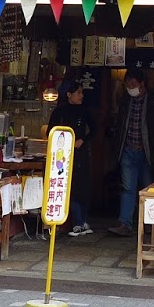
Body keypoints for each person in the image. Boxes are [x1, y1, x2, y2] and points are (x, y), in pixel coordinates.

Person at [105, 69, 154, 236]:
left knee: (148, 189)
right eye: (127, 85)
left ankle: (149, 223)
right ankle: (125, 223)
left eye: (133, 84)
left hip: (147, 151)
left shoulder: (153, 101)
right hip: (128, 150)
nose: (130, 88)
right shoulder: (125, 100)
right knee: (128, 188)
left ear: (142, 84)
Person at [47, 79, 94, 237]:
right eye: (78, 92)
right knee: (70, 188)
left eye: (82, 92)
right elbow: (50, 132)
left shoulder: (85, 110)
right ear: (69, 94)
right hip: (64, 155)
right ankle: (77, 223)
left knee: (83, 188)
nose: (81, 96)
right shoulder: (60, 111)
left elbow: (94, 130)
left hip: (81, 154)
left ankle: (84, 221)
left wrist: (83, 140)